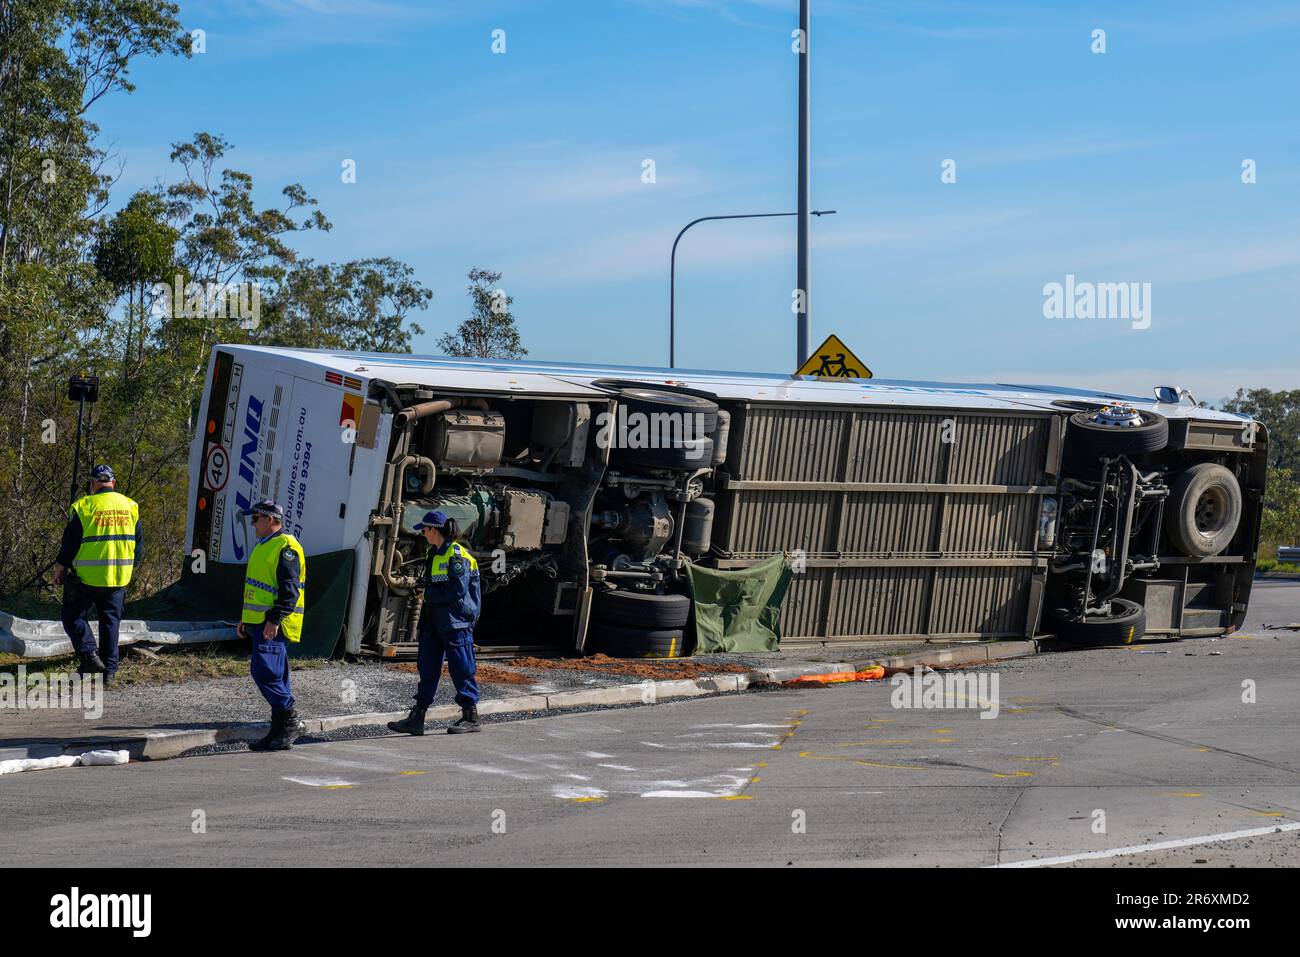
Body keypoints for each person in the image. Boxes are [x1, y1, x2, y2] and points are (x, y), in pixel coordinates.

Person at [388, 510, 483, 735]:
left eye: (424, 529)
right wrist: (422, 585)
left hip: (456, 621)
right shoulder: (434, 554)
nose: (423, 534)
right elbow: (436, 582)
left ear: (433, 529)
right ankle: (417, 717)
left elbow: (457, 590)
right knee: (427, 668)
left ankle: (471, 716)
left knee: (461, 668)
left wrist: (427, 594)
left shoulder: (456, 554)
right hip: (435, 620)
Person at [53, 464, 140, 685]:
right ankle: (109, 673)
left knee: (72, 616)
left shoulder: (84, 506)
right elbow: (139, 546)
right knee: (110, 622)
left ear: (92, 484)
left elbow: (69, 543)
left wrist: (61, 567)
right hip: (118, 577)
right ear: (114, 483)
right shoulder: (130, 506)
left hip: (87, 578)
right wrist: (131, 565)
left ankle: (89, 655)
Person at [237, 499, 307, 752]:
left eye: (255, 519)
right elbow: (258, 588)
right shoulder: (266, 545)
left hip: (274, 624)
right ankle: (279, 730)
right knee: (275, 675)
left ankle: (290, 719)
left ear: (269, 519)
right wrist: (246, 620)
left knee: (264, 672)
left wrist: (274, 619)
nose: (253, 524)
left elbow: (290, 591)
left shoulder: (286, 547)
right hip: (261, 622)